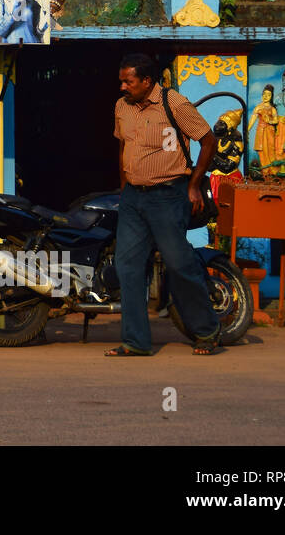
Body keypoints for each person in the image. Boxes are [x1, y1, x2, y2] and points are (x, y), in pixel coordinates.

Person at [110, 54, 222, 356]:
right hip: (134, 198)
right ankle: (135, 342)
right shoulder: (122, 106)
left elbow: (208, 141)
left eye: (128, 81)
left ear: (147, 81)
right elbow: (123, 146)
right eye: (122, 80)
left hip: (169, 195)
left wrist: (195, 185)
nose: (122, 86)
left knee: (178, 263)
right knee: (128, 267)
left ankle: (206, 332)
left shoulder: (175, 103)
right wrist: (124, 190)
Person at [249, 85, 279, 170]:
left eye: (268, 95)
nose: (266, 96)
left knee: (270, 151)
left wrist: (269, 121)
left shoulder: (272, 109)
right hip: (260, 131)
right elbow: (252, 119)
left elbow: (276, 121)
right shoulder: (258, 107)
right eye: (264, 94)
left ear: (271, 96)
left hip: (269, 131)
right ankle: (265, 171)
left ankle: (273, 171)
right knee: (261, 151)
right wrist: (247, 130)